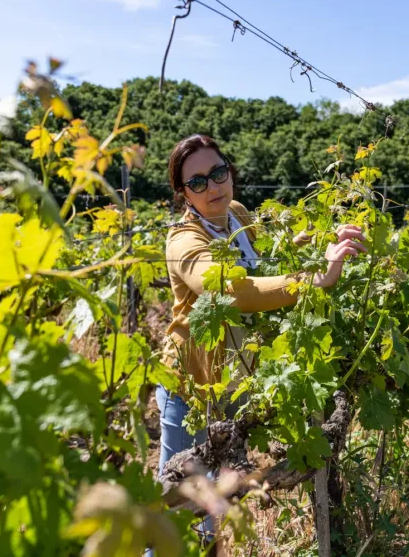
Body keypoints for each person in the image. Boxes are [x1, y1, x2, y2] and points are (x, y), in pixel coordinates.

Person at [155, 134, 366, 543]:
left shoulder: (236, 213)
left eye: (218, 172)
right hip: (191, 386)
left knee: (212, 499)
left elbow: (258, 260)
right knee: (175, 502)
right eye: (197, 182)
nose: (213, 186)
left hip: (234, 378)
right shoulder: (183, 241)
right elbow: (227, 287)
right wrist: (310, 281)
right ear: (183, 195)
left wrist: (307, 243)